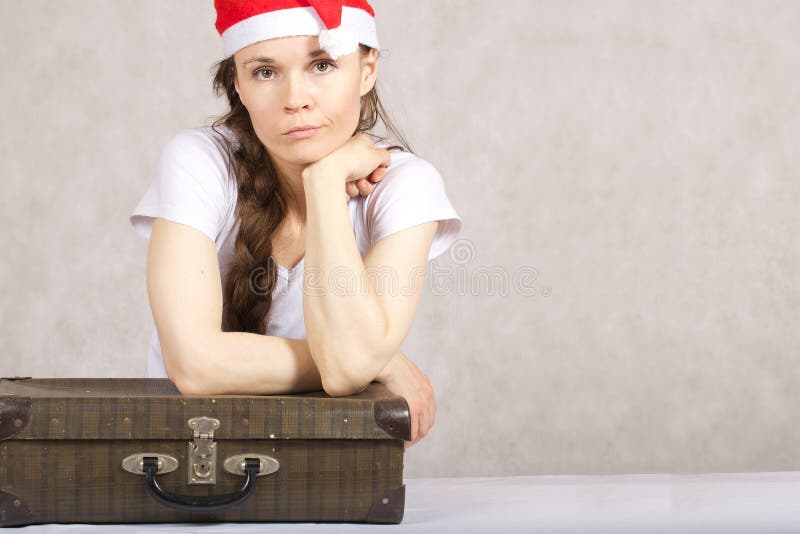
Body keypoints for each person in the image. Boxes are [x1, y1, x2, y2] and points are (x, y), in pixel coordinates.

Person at [129, 0, 462, 448]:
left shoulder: (405, 187)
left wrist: (323, 184)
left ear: (366, 71)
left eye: (322, 65)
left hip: (324, 470)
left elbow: (348, 368)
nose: (295, 100)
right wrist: (380, 361)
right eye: (265, 72)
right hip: (183, 465)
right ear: (238, 85)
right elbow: (193, 365)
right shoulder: (199, 162)